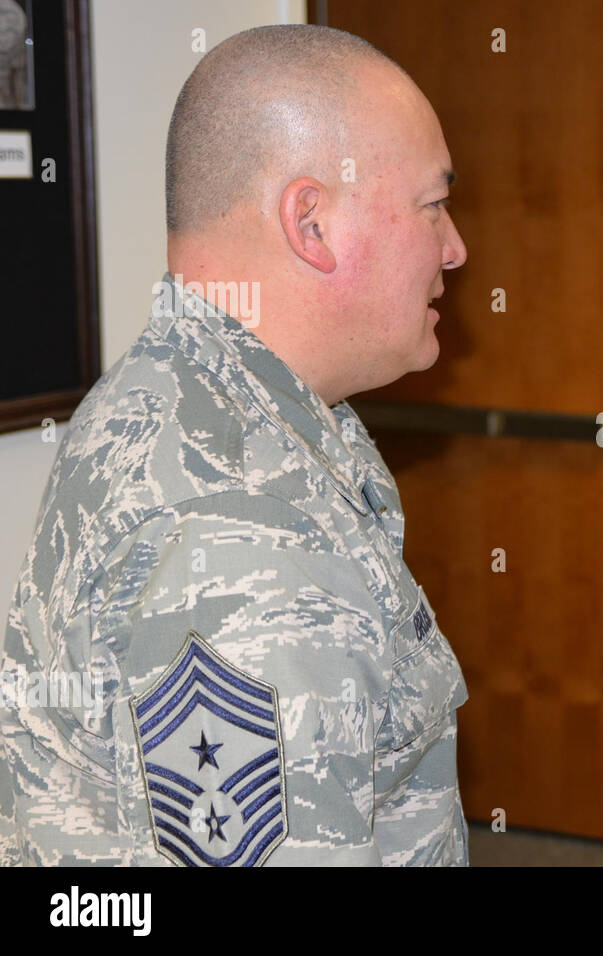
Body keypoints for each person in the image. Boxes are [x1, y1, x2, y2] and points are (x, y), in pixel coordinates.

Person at [0, 24, 469, 866]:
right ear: (312, 223)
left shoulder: (216, 397)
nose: (455, 247)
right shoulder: (236, 529)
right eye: (433, 205)